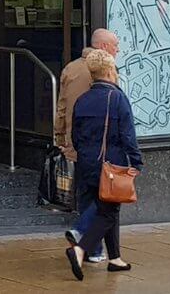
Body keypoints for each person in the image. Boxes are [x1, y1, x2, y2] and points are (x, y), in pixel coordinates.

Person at [66, 50, 144, 281]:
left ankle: (115, 258)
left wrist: (84, 154)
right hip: (110, 164)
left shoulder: (83, 99)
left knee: (107, 209)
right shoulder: (117, 98)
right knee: (109, 212)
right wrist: (136, 161)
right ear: (110, 71)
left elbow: (76, 135)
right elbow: (127, 135)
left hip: (86, 163)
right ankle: (80, 249)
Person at [55, 29, 120, 265]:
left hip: (77, 144)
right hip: (103, 148)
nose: (118, 50)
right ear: (103, 47)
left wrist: (60, 138)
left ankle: (93, 249)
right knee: (105, 200)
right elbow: (115, 112)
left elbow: (62, 108)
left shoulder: (70, 69)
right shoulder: (106, 72)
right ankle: (87, 239)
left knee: (86, 197)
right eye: (115, 45)